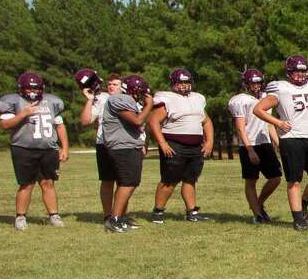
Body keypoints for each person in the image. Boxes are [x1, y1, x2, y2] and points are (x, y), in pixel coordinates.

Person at [252, 55, 308, 231]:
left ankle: (303, 205)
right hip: (291, 139)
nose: (301, 75)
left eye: (304, 71)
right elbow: (258, 109)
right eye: (297, 71)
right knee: (294, 180)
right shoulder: (281, 88)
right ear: (289, 72)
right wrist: (278, 123)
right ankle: (298, 219)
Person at [0, 72, 69, 230]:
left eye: (35, 88)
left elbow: (59, 126)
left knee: (48, 183)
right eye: (29, 88)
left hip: (48, 148)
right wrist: (23, 113)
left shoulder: (52, 102)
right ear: (21, 88)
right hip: (24, 148)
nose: (32, 91)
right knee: (27, 184)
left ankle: (54, 215)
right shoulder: (14, 101)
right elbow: (5, 125)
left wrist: (64, 147)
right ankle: (20, 216)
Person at [147, 68, 214, 223]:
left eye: (187, 82)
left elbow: (206, 121)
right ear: (173, 83)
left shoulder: (197, 98)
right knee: (170, 180)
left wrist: (210, 141)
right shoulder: (167, 99)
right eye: (181, 82)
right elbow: (153, 121)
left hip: (195, 146)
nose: (184, 85)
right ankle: (158, 212)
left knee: (190, 179)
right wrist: (162, 143)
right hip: (174, 144)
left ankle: (192, 212)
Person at [78, 69, 138, 227]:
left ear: (123, 86)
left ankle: (121, 216)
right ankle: (107, 216)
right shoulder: (102, 99)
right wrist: (89, 100)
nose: (111, 86)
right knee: (107, 181)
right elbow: (85, 121)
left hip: (124, 144)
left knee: (124, 182)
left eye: (115, 84)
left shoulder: (128, 99)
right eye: (109, 84)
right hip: (104, 144)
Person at [229, 68, 282, 223]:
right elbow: (240, 128)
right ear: (246, 84)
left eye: (258, 83)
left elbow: (269, 124)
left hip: (265, 143)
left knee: (276, 178)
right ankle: (257, 214)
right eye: (252, 83)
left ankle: (258, 204)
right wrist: (250, 150)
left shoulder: (266, 98)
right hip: (249, 144)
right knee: (251, 180)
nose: (256, 86)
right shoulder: (240, 100)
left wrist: (278, 143)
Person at [101, 75, 153, 232]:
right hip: (122, 146)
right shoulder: (119, 99)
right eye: (140, 91)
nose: (142, 95)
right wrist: (149, 105)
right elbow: (137, 121)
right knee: (128, 183)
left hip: (128, 145)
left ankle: (120, 217)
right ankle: (114, 219)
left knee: (128, 182)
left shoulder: (127, 100)